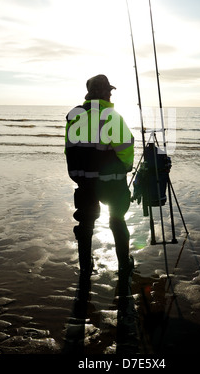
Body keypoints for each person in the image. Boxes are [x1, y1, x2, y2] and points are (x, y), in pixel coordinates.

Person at [65, 74, 134, 285]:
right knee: (117, 219)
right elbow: (125, 147)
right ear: (104, 92)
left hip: (84, 180)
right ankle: (124, 264)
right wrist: (127, 167)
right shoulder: (110, 116)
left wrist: (78, 173)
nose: (111, 94)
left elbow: (70, 149)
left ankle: (86, 265)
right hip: (111, 181)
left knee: (85, 222)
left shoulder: (75, 115)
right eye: (109, 91)